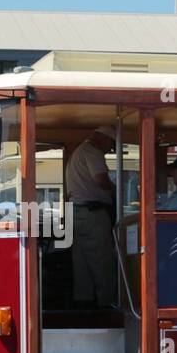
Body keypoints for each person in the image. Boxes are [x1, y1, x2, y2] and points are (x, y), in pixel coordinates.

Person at [65, 126, 117, 308]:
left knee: (82, 264)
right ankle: (107, 306)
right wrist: (115, 190)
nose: (110, 149)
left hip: (76, 212)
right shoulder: (93, 152)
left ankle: (84, 305)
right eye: (111, 143)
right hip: (92, 213)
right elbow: (100, 179)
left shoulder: (78, 152)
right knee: (102, 261)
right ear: (102, 138)